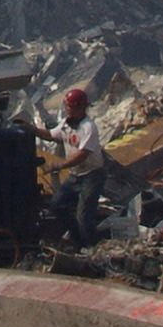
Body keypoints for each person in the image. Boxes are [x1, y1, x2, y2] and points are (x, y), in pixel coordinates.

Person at [36, 87, 106, 248]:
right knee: (56, 205)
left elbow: (82, 154)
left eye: (69, 106)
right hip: (76, 175)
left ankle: (91, 248)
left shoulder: (88, 127)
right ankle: (77, 240)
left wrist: (60, 165)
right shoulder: (66, 125)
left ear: (78, 108)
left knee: (84, 216)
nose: (66, 109)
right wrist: (32, 130)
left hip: (91, 175)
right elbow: (51, 135)